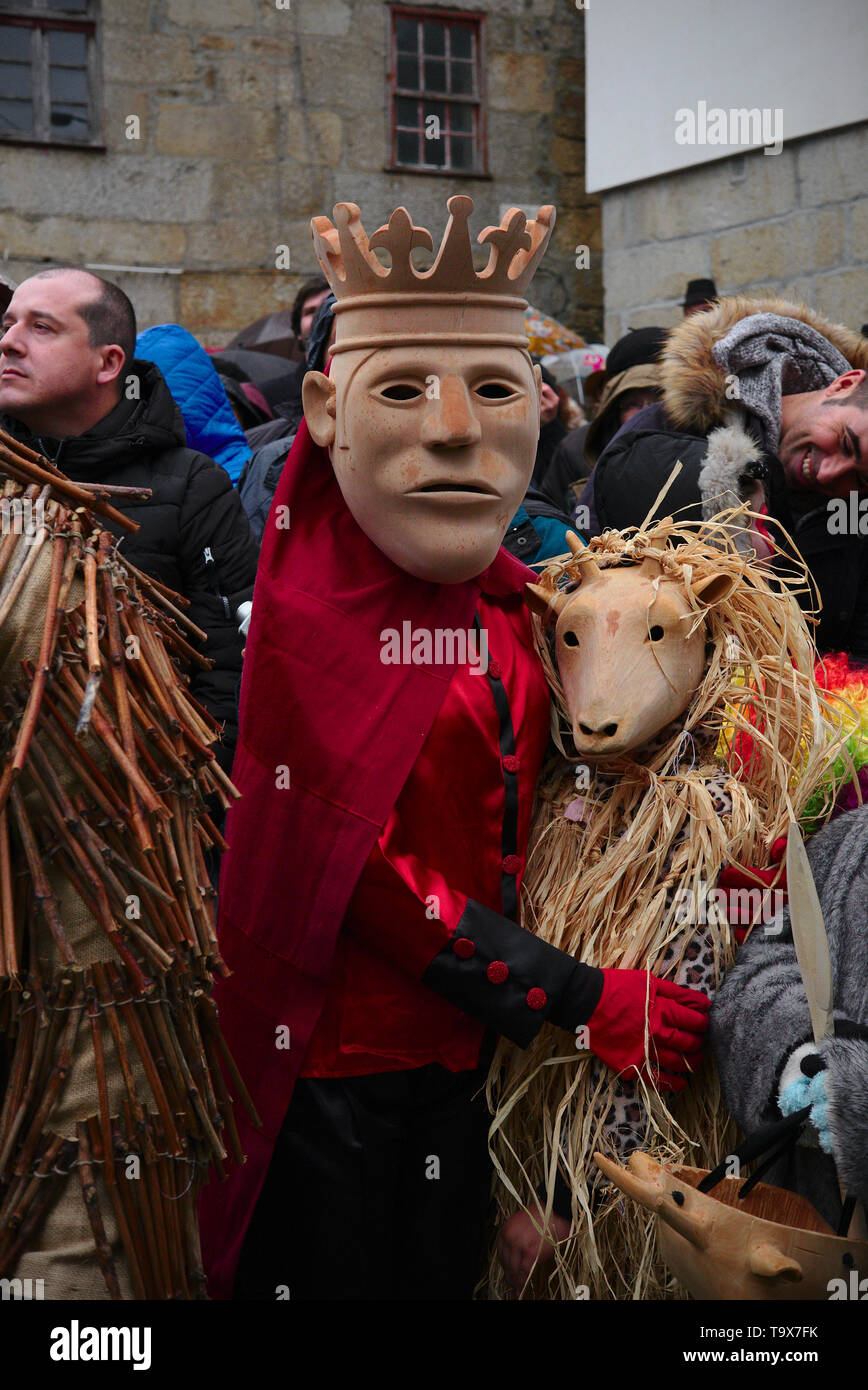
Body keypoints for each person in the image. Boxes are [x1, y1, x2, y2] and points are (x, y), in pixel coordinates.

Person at [196, 197, 710, 1302]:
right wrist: (574, 995)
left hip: (474, 1064)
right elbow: (355, 868)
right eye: (400, 389)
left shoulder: (507, 596)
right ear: (326, 412)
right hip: (342, 1081)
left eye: (492, 388)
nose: (452, 430)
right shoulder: (314, 622)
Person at [0, 267, 259, 772]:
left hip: (137, 813)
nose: (8, 342)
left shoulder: (190, 485)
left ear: (109, 362)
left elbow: (229, 662)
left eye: (41, 327)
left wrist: (193, 783)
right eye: (8, 325)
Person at [584, 297, 868, 656]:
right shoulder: (668, 426)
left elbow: (858, 649)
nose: (829, 472)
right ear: (844, 384)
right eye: (845, 442)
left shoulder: (853, 516)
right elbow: (588, 569)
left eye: (859, 480)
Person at [712, 804, 868, 1231]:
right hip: (812, 1234)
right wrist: (797, 1057)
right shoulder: (853, 843)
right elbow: (763, 968)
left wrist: (860, 1101)